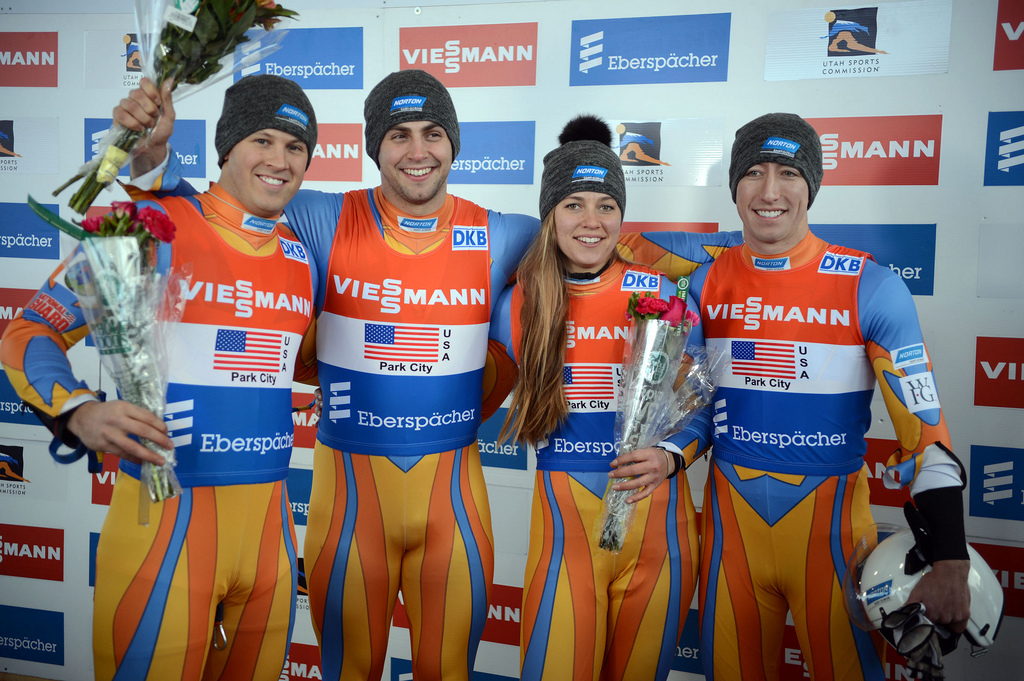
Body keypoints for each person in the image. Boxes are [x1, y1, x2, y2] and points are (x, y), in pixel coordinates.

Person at [129, 69, 741, 681]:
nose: (418, 151)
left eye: (432, 134)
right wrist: (148, 170)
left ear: (453, 144)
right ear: (375, 147)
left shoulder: (504, 233)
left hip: (454, 507)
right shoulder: (321, 217)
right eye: (399, 135)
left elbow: (594, 237)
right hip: (347, 504)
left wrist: (753, 246)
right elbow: (214, 220)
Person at [1, 74, 319, 680]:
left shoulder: (302, 252)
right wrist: (77, 412)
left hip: (272, 549)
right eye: (263, 140)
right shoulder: (148, 228)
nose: (280, 160)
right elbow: (26, 334)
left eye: (296, 147)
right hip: (163, 534)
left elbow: (303, 355)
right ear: (227, 148)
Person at [680, 113, 970, 680]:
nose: (769, 192)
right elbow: (686, 408)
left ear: (810, 185)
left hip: (833, 540)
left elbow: (927, 437)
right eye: (753, 174)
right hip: (728, 538)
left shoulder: (871, 286)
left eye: (788, 173)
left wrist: (951, 558)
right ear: (734, 185)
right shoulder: (703, 282)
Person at [489, 116, 712, 681]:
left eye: (606, 205)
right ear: (550, 214)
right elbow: (461, 389)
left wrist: (671, 456)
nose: (592, 222)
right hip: (567, 533)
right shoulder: (517, 304)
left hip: (658, 530)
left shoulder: (660, 292)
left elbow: (704, 402)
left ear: (622, 215)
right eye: (574, 205)